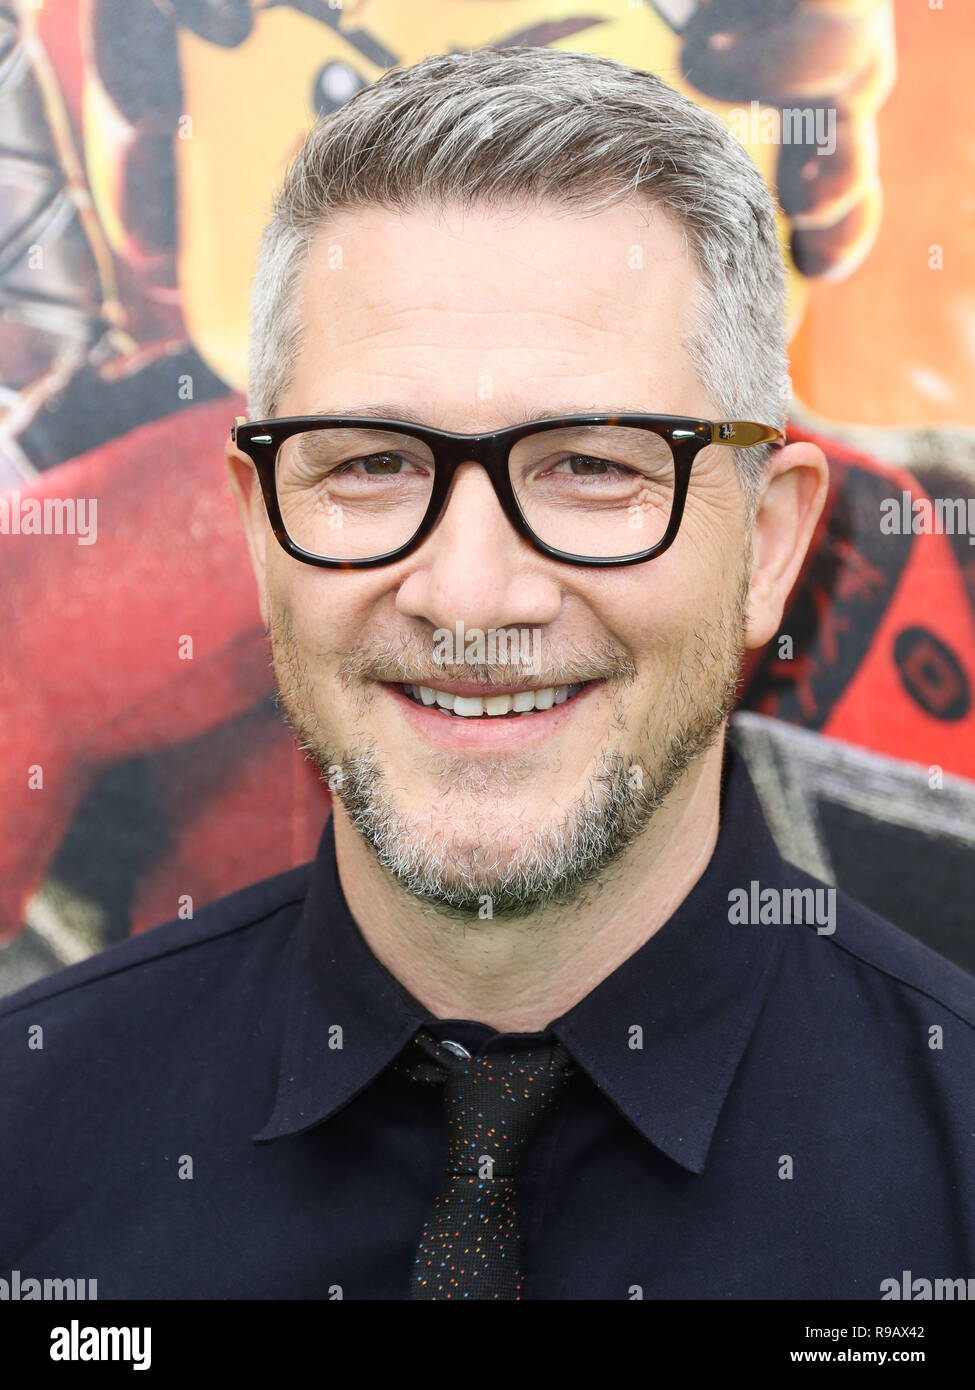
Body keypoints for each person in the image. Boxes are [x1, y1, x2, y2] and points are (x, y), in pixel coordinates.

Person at [2, 46, 973, 1302]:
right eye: (371, 465)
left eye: (594, 464)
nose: (468, 593)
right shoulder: (28, 1145)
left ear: (769, 543)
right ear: (256, 521)